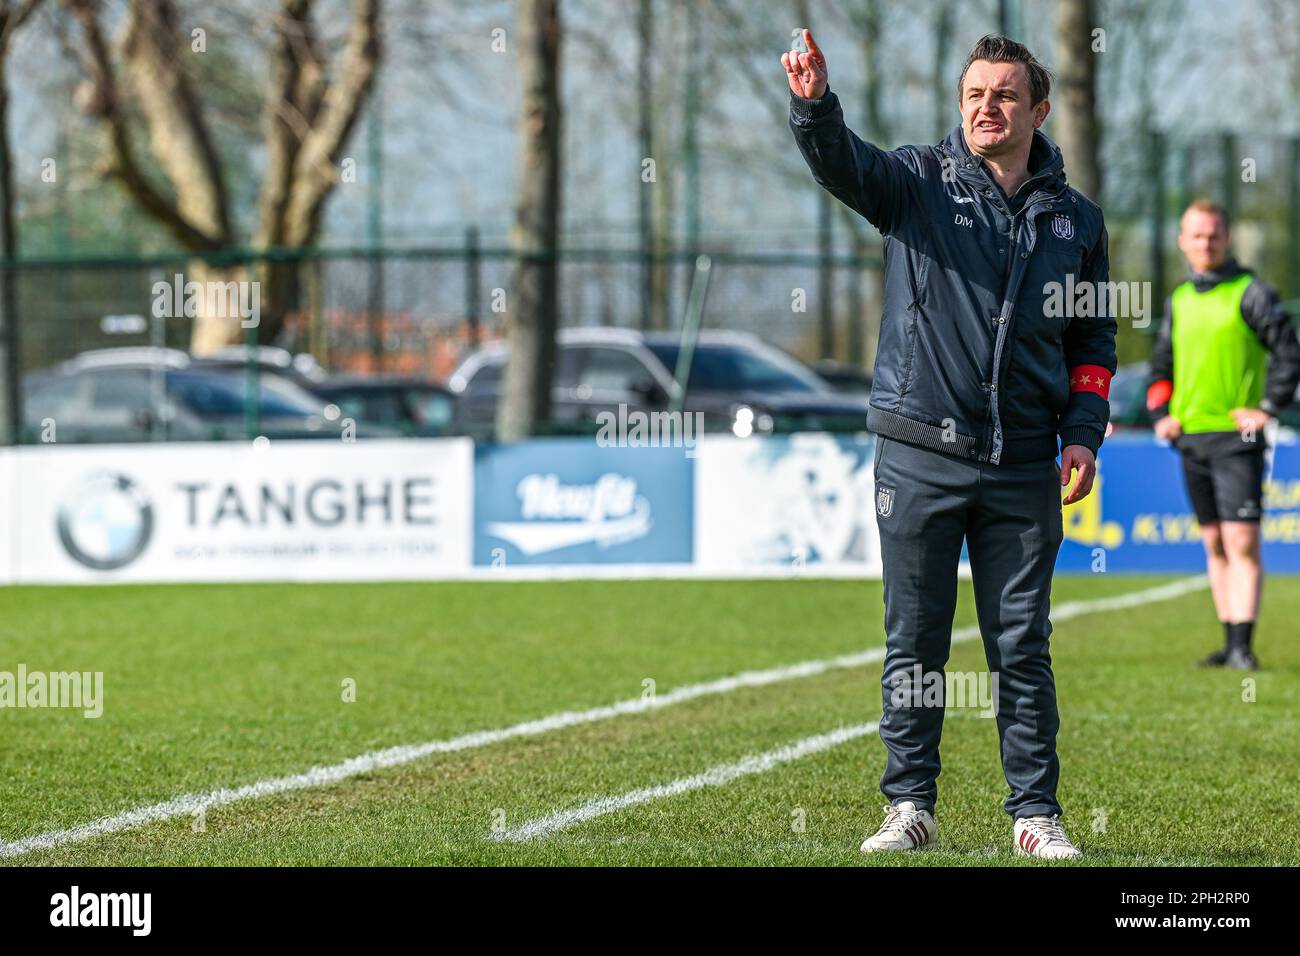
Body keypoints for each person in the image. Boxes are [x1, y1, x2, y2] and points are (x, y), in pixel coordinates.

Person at [783, 31, 1116, 858]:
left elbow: (1095, 341)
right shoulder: (916, 183)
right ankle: (910, 808)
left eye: (1005, 95)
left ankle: (1035, 817)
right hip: (917, 454)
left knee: (1021, 646)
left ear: (1039, 110)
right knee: (917, 641)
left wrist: (1082, 435)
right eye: (973, 93)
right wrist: (816, 106)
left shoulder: (1077, 223)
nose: (986, 107)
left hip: (1025, 464)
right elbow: (841, 163)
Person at [1148, 199, 1300, 671]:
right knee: (1213, 541)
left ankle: (1242, 646)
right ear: (1183, 242)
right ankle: (1228, 639)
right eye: (1196, 235)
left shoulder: (1252, 292)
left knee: (1241, 542)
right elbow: (1161, 368)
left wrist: (1268, 408)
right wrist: (1160, 415)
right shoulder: (1178, 299)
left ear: (1227, 238)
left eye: (1213, 234)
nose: (1205, 243)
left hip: (1238, 440)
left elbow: (1289, 355)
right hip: (1190, 438)